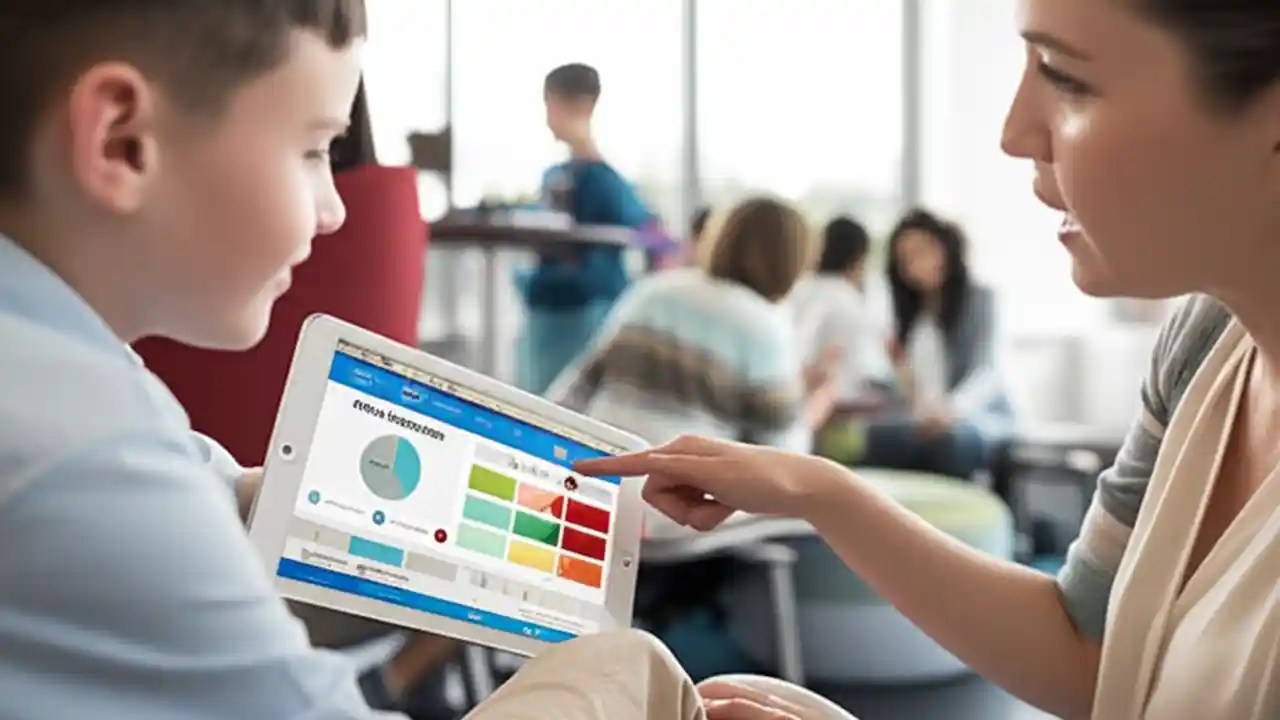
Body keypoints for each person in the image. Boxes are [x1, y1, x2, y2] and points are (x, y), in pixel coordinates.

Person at [0, 4, 723, 719]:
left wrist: (370, 499)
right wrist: (619, 678)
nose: (335, 210)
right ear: (123, 141)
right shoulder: (89, 449)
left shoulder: (64, 371)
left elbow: (203, 480)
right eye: (314, 150)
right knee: (628, 659)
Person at [577, 1, 1280, 717]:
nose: (1012, 133)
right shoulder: (1204, 341)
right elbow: (1092, 653)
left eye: (1065, 76)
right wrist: (816, 489)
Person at [515, 62, 653, 395]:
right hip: (551, 307)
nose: (549, 117)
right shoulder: (556, 176)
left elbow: (646, 229)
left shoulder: (603, 181)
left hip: (583, 310)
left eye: (552, 104)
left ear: (582, 107)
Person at [856, 209, 1013, 480]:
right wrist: (896, 371)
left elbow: (987, 374)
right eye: (905, 260)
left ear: (945, 249)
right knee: (870, 437)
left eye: (922, 251)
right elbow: (915, 391)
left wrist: (949, 411)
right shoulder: (913, 316)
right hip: (924, 419)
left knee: (949, 442)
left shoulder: (980, 299)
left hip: (975, 417)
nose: (915, 264)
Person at [787, 215, 894, 406]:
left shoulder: (799, 289)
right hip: (835, 403)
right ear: (858, 256)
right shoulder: (847, 298)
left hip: (796, 395)